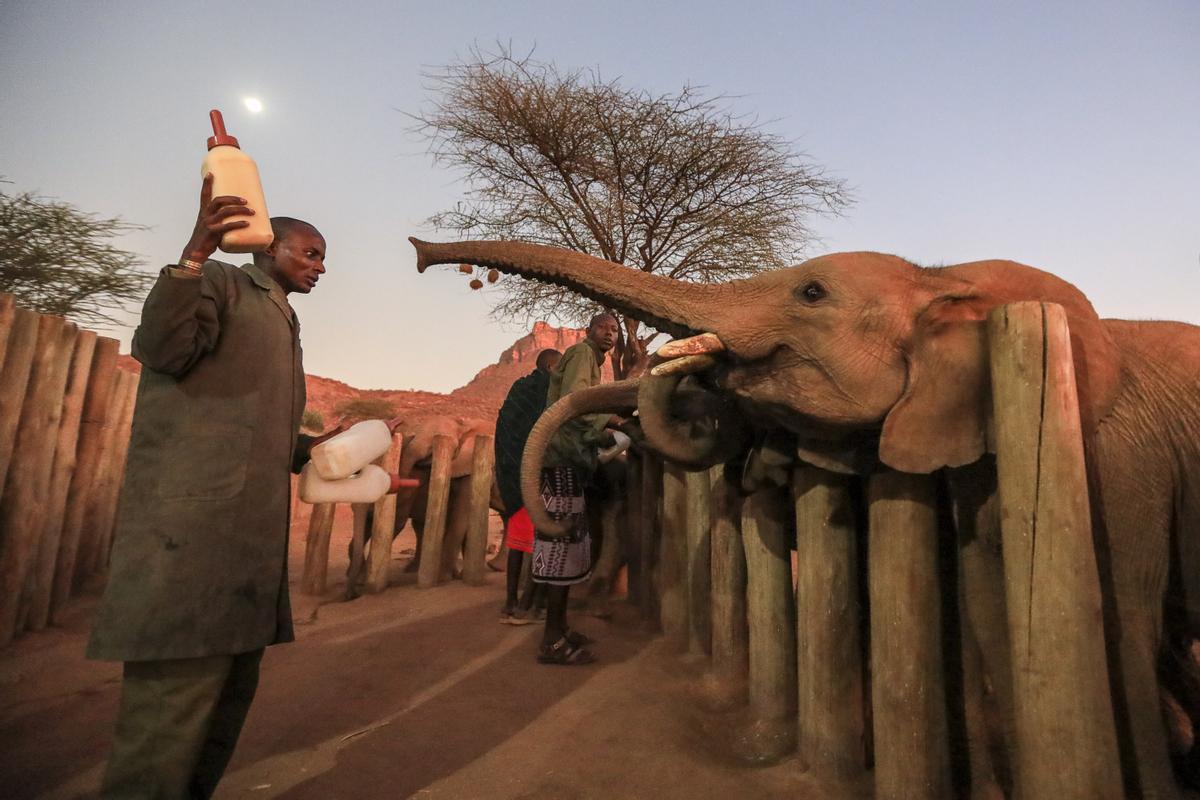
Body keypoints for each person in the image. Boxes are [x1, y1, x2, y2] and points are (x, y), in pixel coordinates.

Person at [86, 175, 334, 799]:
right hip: (189, 547)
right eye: (311, 252)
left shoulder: (279, 316)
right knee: (167, 725)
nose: (320, 267)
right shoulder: (221, 283)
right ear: (268, 248)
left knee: (220, 714)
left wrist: (317, 449)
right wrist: (196, 251)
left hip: (239, 556)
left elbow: (250, 430)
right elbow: (164, 349)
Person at [533, 312, 621, 665]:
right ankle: (552, 641)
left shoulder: (592, 361)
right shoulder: (583, 355)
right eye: (604, 328)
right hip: (561, 461)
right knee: (561, 547)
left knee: (569, 546)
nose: (610, 334)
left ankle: (561, 626)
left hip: (568, 458)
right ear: (589, 330)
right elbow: (575, 403)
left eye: (615, 330)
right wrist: (612, 420)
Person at [494, 348, 562, 624]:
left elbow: (507, 431)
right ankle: (526, 604)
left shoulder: (519, 389)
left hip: (514, 477)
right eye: (560, 366)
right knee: (539, 544)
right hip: (536, 478)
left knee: (517, 543)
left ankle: (510, 600)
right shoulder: (547, 392)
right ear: (549, 366)